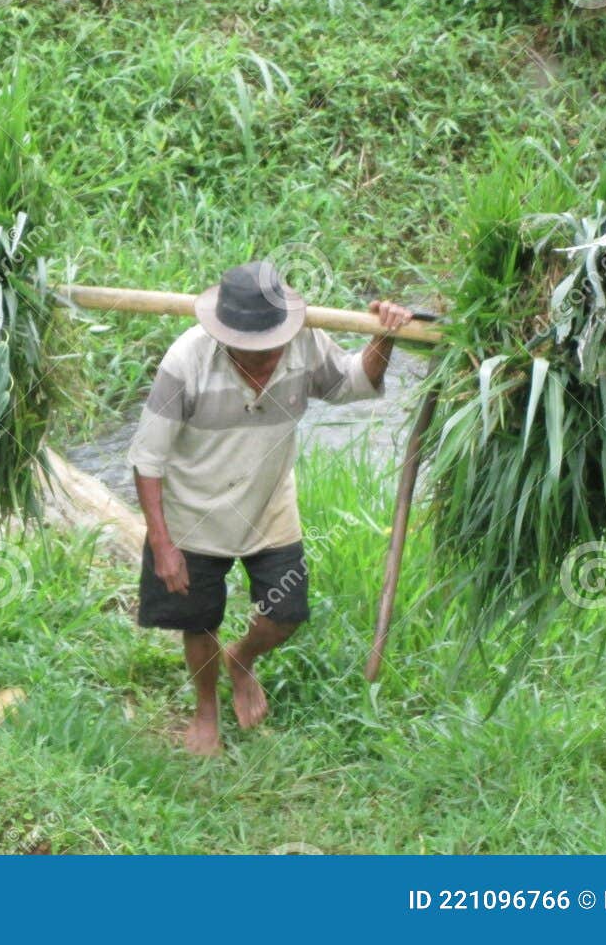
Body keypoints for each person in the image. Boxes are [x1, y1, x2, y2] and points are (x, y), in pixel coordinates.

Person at [128, 260, 415, 754]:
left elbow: (353, 383)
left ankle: (241, 660)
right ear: (223, 337)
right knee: (198, 622)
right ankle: (205, 711)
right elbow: (146, 459)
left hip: (268, 504)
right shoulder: (185, 362)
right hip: (194, 510)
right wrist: (162, 543)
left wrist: (382, 337)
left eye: (272, 347)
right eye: (251, 352)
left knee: (286, 612)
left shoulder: (304, 342)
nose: (266, 360)